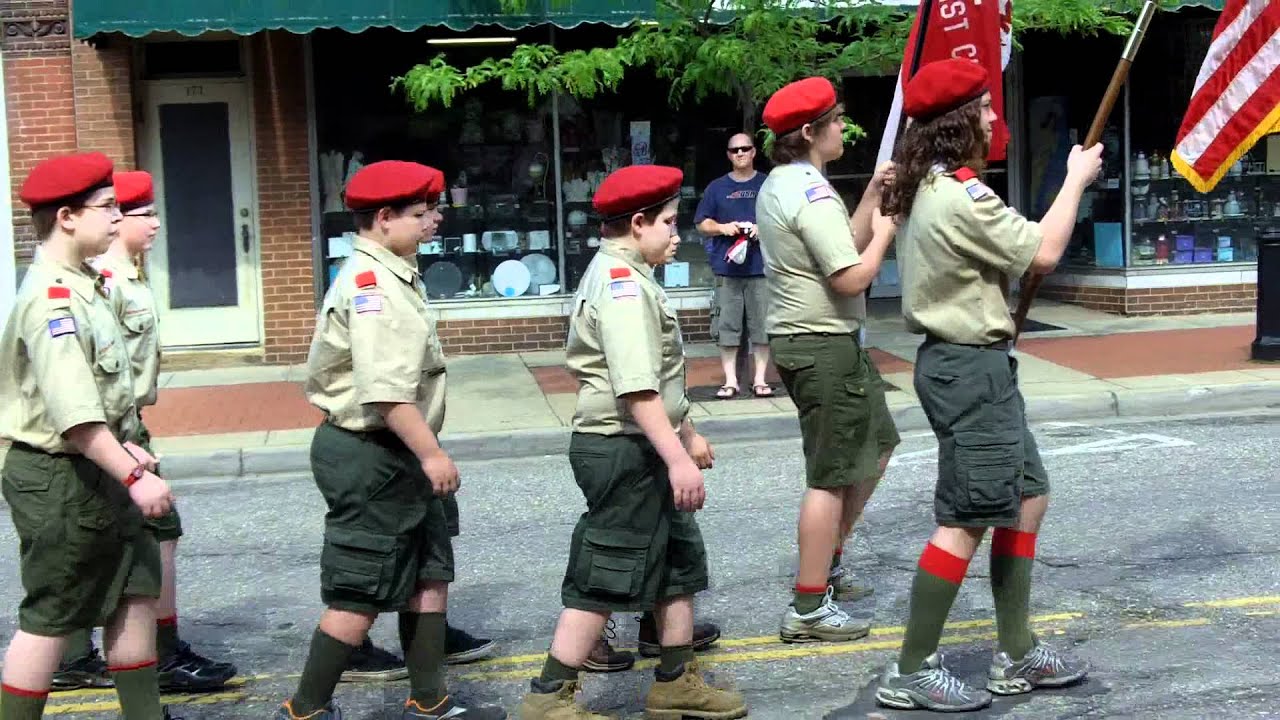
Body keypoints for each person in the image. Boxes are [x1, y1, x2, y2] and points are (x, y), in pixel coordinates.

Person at [873, 58, 1102, 712]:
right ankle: (911, 668)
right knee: (966, 519)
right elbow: (1044, 250)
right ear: (959, 122)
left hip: (977, 364)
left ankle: (1016, 649)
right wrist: (1075, 179)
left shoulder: (932, 185)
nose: (995, 118)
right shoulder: (959, 193)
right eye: (984, 109)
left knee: (1027, 495)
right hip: (967, 368)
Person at [276, 160, 504, 720]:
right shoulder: (372, 284)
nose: (436, 221)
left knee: (429, 571)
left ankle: (429, 699)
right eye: (422, 213)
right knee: (360, 588)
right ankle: (305, 709)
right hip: (372, 452)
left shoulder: (396, 272)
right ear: (383, 218)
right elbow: (384, 393)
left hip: (397, 449)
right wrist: (431, 452)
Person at [519, 165, 746, 720]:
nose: (677, 233)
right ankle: (549, 696)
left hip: (646, 441)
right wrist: (677, 458)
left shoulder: (633, 275)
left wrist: (686, 432)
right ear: (638, 222)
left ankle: (675, 680)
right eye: (669, 223)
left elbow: (660, 384)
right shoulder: (622, 287)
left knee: (676, 563)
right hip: (623, 447)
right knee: (610, 568)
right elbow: (637, 388)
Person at [0, 151, 179, 719]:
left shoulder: (87, 284)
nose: (117, 217)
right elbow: (74, 416)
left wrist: (125, 449)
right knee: (52, 618)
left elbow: (99, 397)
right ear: (67, 217)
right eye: (108, 208)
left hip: (101, 465)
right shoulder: (52, 300)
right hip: (62, 477)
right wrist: (131, 473)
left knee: (133, 594)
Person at [48, 171, 239, 694]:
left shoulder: (126, 274)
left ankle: (117, 650)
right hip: (105, 433)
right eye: (141, 213)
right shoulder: (100, 282)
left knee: (134, 542)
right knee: (138, 540)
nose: (155, 223)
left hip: (127, 428)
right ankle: (150, 651)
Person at [755, 77, 902, 643]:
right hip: (820, 341)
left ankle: (828, 563)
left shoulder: (797, 183)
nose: (845, 127)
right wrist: (886, 231)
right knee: (830, 474)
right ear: (810, 132)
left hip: (827, 340)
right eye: (837, 120)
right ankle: (809, 604)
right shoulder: (808, 191)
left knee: (876, 446)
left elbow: (842, 241)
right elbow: (851, 276)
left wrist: (869, 200)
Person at [695, 132, 771, 399]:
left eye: (745, 148)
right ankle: (730, 381)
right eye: (734, 150)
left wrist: (765, 228)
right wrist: (723, 228)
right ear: (728, 155)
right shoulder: (716, 188)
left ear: (753, 152)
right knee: (727, 327)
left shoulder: (768, 184)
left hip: (761, 268)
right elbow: (702, 223)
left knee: (762, 326)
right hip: (726, 270)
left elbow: (784, 218)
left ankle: (760, 380)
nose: (740, 153)